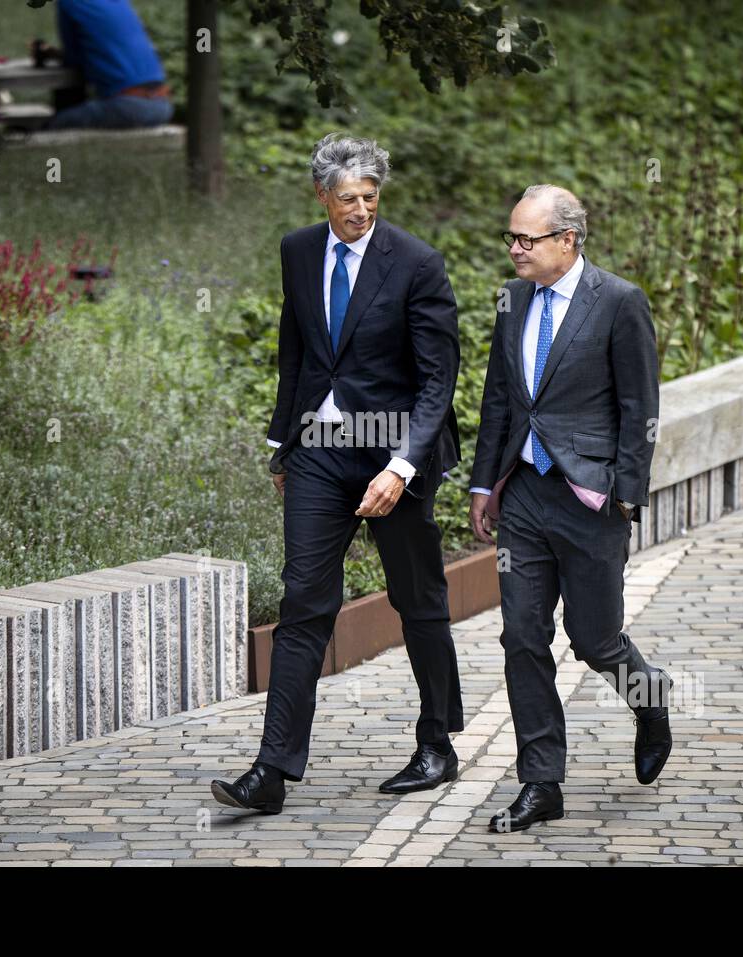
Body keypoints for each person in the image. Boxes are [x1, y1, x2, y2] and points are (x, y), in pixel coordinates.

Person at [210, 133, 464, 814]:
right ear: (322, 195)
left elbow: (440, 380)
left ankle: (437, 742)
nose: (360, 209)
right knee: (304, 603)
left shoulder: (416, 262)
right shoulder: (298, 250)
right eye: (347, 197)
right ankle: (271, 770)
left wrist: (403, 467)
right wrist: (281, 444)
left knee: (418, 598)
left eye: (370, 196)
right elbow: (296, 348)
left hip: (393, 449)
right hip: (320, 448)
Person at [469, 185, 674, 833]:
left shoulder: (618, 302)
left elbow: (641, 408)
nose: (515, 249)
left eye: (527, 239)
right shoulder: (513, 298)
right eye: (511, 237)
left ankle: (650, 698)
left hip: (591, 498)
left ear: (569, 240)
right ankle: (541, 781)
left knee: (594, 638)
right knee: (522, 636)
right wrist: (483, 485)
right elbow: (498, 396)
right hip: (525, 492)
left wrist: (627, 494)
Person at [43, 0, 173, 130]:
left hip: (130, 107)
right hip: (163, 104)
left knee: (56, 124)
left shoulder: (70, 3)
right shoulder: (119, 2)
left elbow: (73, 58)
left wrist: (48, 54)